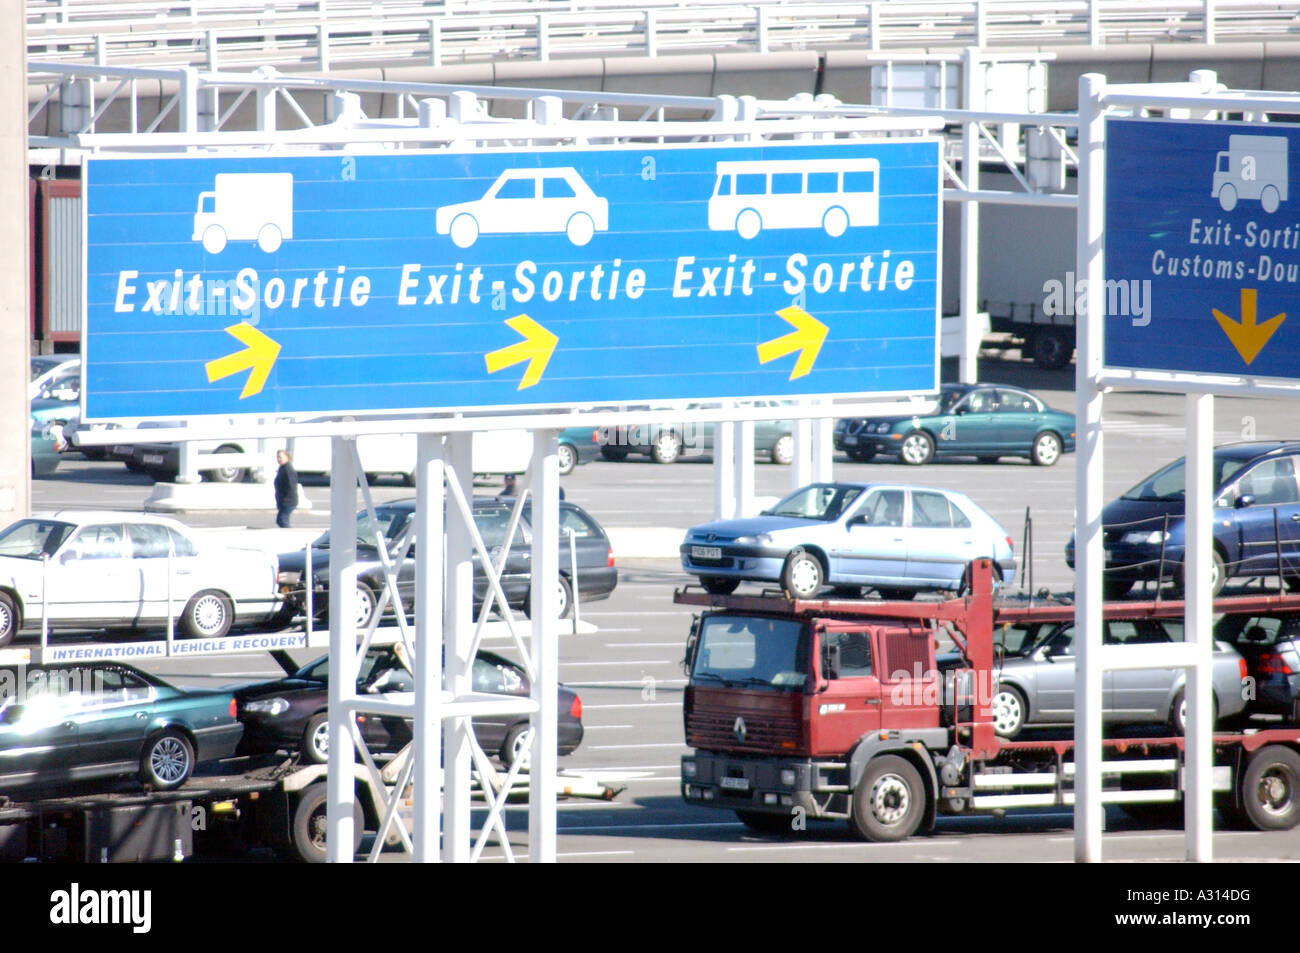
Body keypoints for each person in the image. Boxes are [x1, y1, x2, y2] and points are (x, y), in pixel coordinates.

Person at [274, 449, 299, 528]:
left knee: (282, 520)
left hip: (288, 501)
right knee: (281, 520)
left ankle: (289, 535)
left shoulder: (288, 469)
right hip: (284, 501)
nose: (278, 459)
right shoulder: (283, 468)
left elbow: (291, 486)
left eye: (280, 457)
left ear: (287, 457)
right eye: (277, 457)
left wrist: (285, 498)